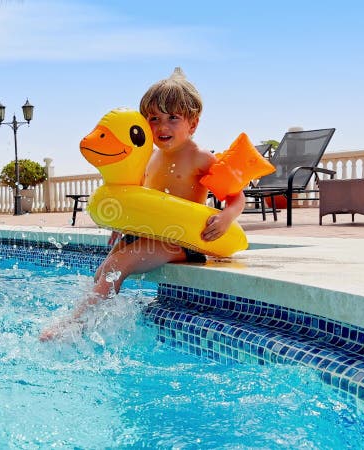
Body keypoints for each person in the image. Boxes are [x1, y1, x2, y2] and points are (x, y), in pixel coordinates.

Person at [39, 67, 246, 341]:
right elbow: (139, 200)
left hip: (182, 240)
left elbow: (236, 196)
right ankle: (97, 319)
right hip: (148, 233)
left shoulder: (200, 158)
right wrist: (122, 225)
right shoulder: (149, 157)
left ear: (192, 124)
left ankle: (75, 324)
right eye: (154, 118)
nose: (162, 126)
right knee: (104, 269)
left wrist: (227, 217)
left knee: (118, 266)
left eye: (173, 118)